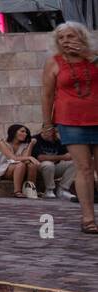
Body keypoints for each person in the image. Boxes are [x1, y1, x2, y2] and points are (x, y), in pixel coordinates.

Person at [40, 21, 98, 233]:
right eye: (61, 38)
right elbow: (46, 95)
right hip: (71, 121)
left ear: (81, 37)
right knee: (84, 168)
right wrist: (47, 124)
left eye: (70, 36)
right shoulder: (53, 62)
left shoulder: (94, 57)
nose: (66, 41)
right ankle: (88, 218)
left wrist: (89, 55)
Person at [0, 124, 41, 199]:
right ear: (14, 132)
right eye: (22, 131)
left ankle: (31, 190)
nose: (25, 134)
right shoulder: (2, 143)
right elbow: (13, 158)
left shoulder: (24, 145)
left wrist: (30, 145)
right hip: (3, 171)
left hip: (20, 170)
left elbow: (26, 159)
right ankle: (17, 191)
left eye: (26, 132)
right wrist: (30, 157)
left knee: (32, 165)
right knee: (20, 165)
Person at [31, 128, 76, 200]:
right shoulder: (35, 139)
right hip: (38, 168)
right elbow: (40, 158)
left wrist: (70, 155)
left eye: (56, 132)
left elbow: (67, 154)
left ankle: (62, 190)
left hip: (53, 169)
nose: (55, 134)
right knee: (48, 164)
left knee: (74, 163)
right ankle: (49, 190)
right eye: (53, 132)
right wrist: (63, 157)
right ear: (43, 130)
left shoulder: (56, 140)